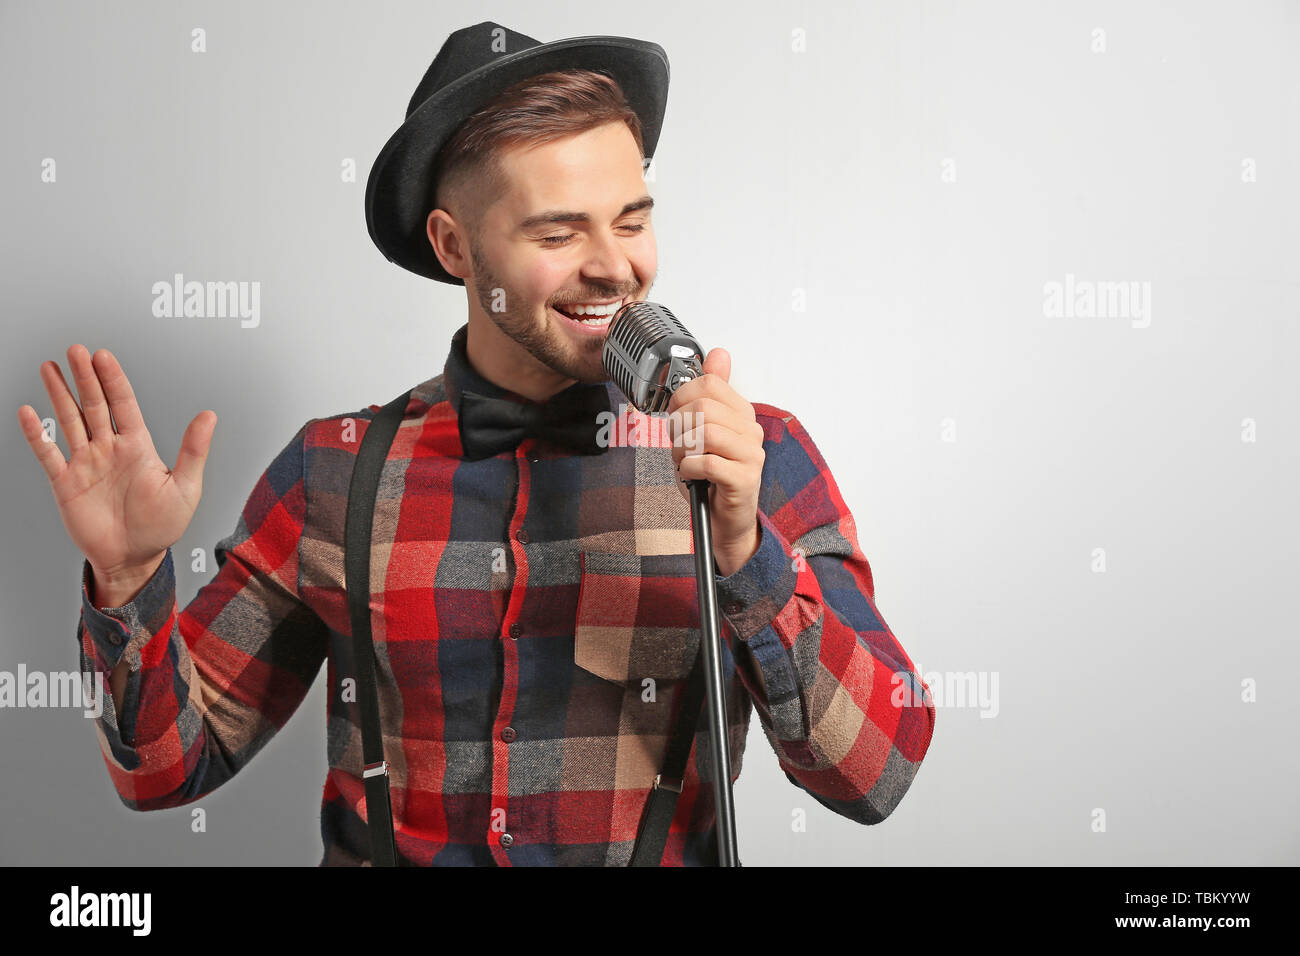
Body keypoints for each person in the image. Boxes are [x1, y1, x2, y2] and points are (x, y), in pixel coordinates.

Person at [17, 21, 935, 866]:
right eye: (558, 230)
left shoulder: (752, 456)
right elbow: (165, 771)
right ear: (456, 248)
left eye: (632, 219)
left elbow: (877, 776)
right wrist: (132, 578)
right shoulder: (332, 473)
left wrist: (745, 553)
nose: (616, 265)